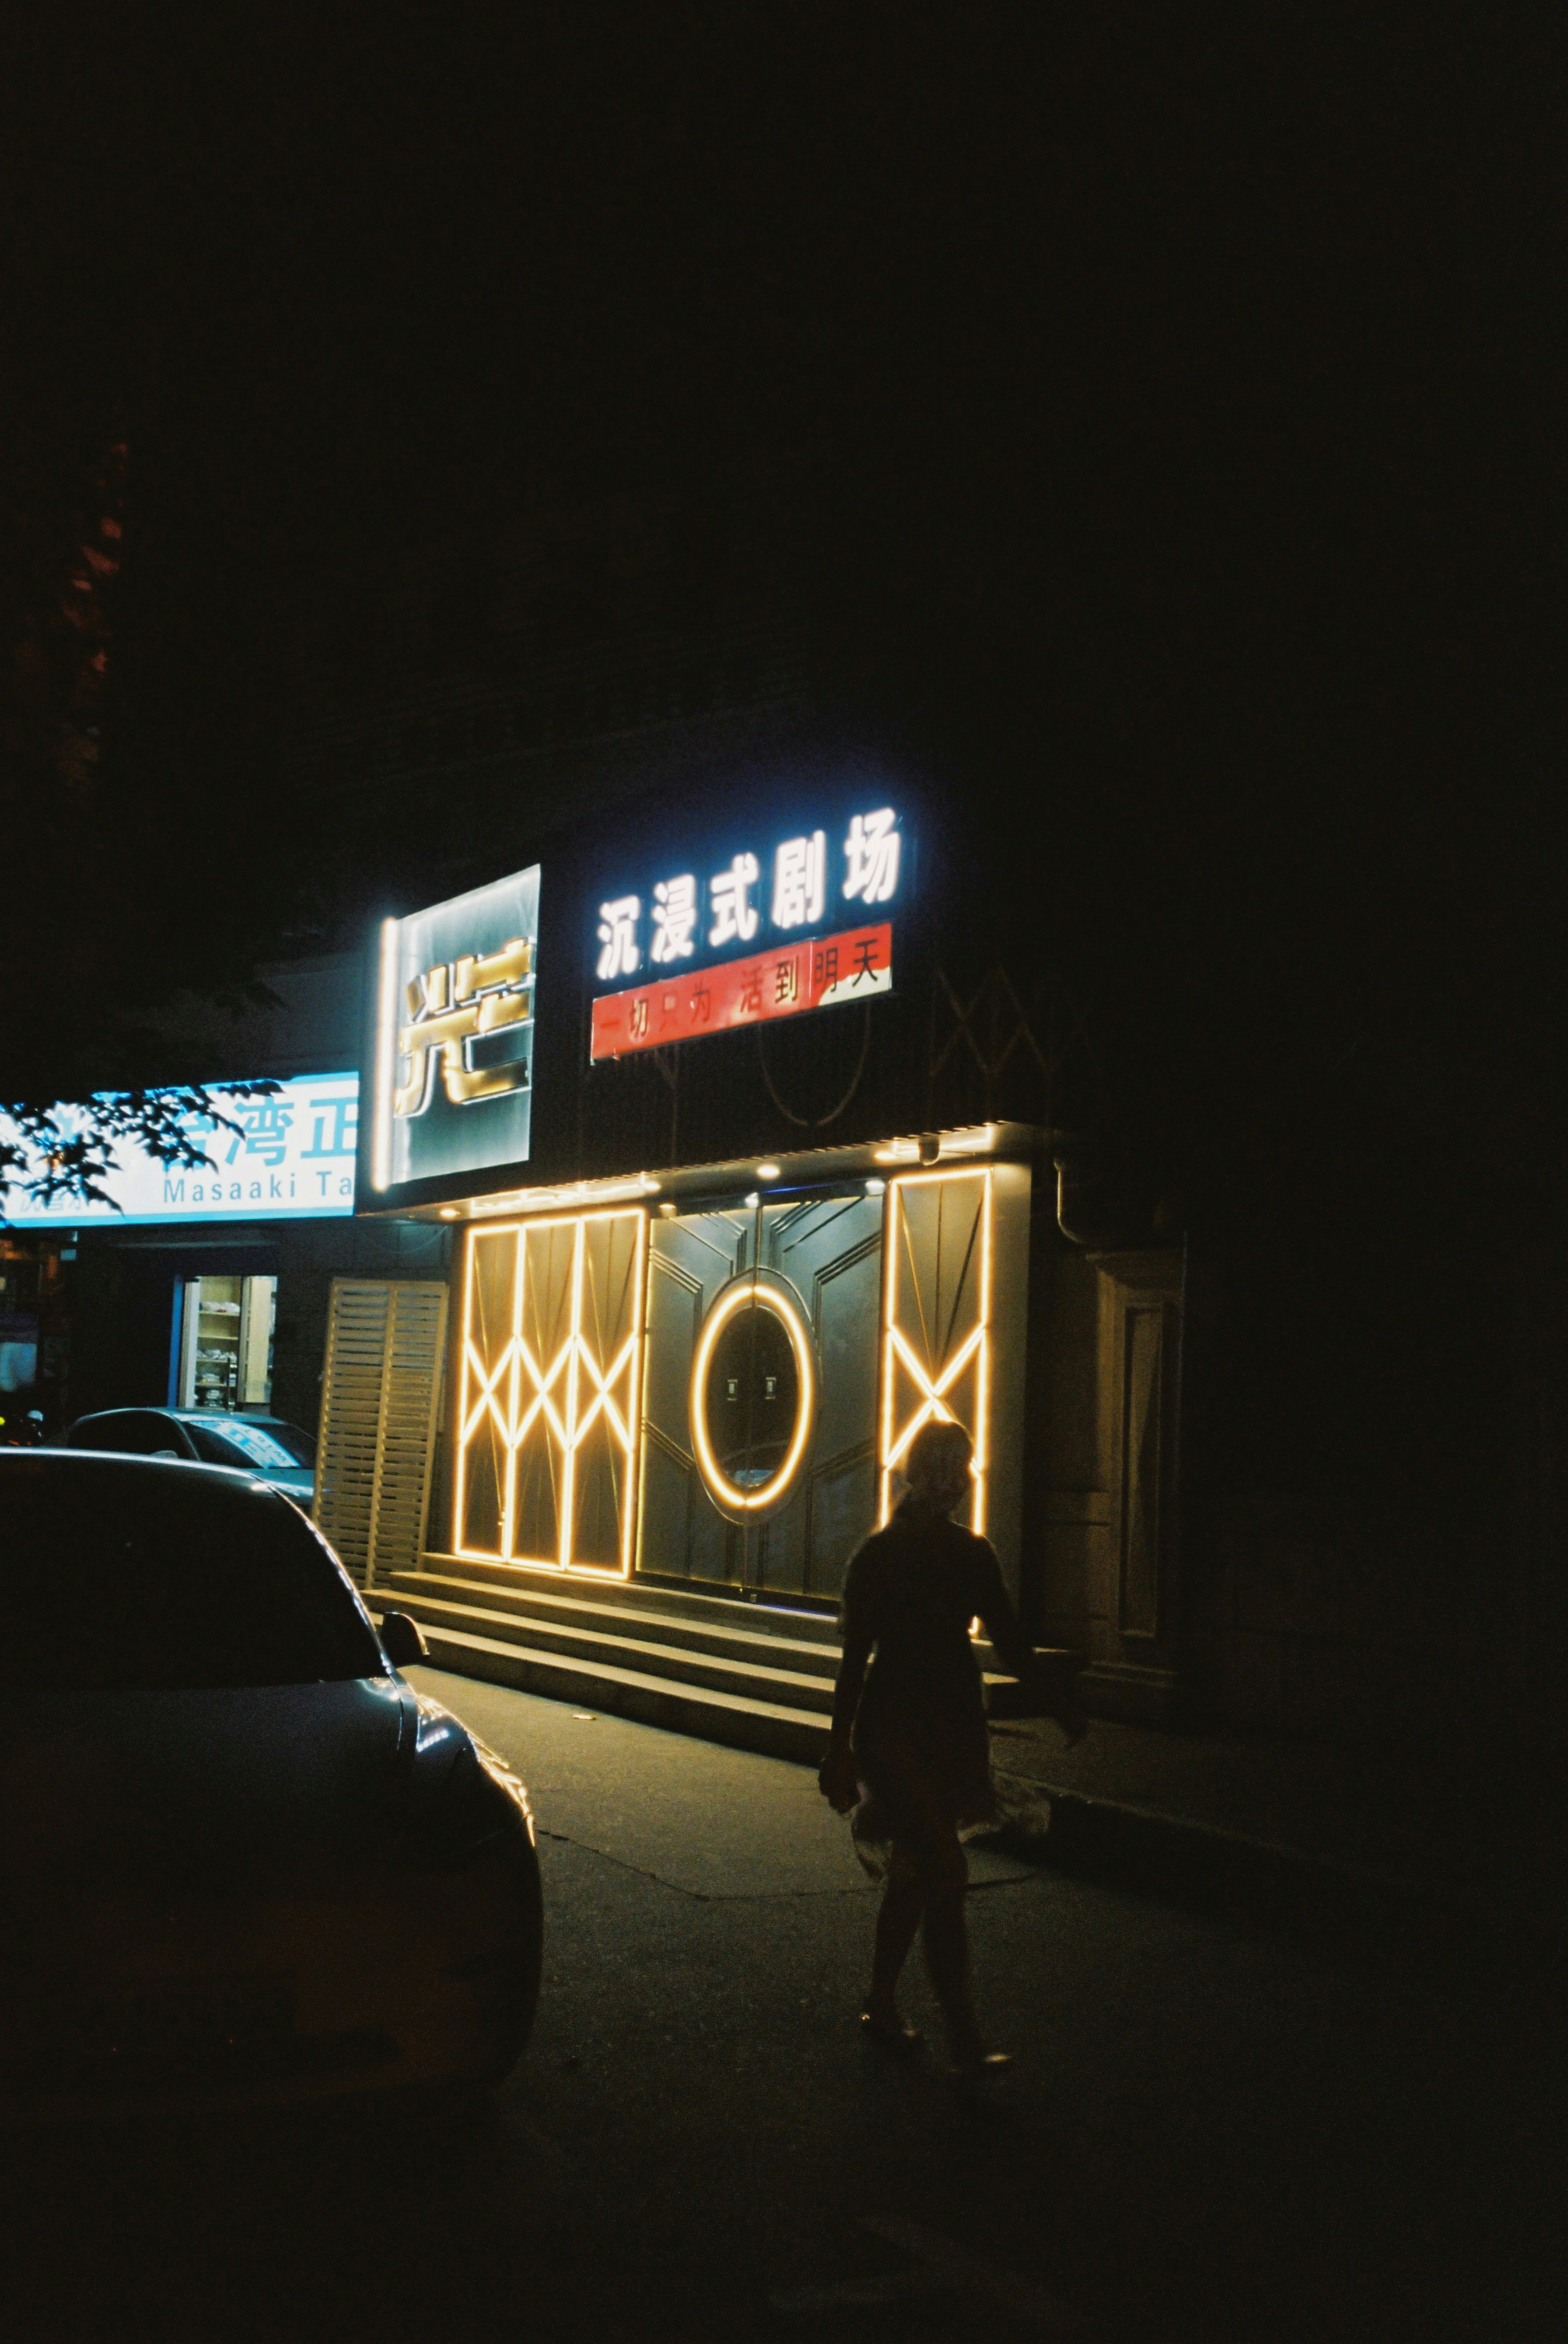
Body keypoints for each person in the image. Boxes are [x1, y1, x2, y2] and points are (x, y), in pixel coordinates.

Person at [818, 1418, 1084, 2073]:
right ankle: (964, 2035)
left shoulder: (974, 1555)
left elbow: (1013, 1645)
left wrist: (1059, 1700)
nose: (950, 1478)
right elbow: (855, 1661)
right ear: (914, 1471)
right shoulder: (877, 1557)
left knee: (914, 1872)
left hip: (951, 1725)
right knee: (945, 1866)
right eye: (938, 1464)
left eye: (959, 1464)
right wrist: (840, 1750)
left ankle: (881, 2001)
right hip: (895, 1726)